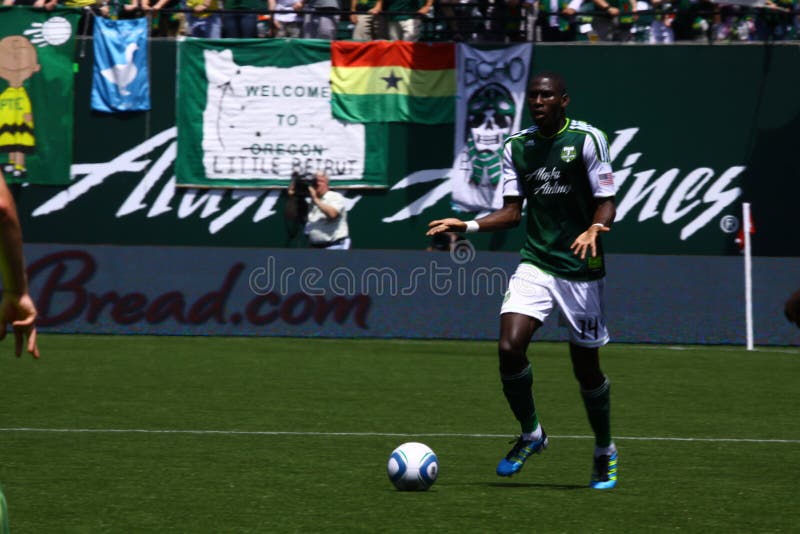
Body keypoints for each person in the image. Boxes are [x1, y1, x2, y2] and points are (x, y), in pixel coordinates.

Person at [427, 71, 618, 489]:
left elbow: (607, 203)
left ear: (563, 100)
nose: (537, 101)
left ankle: (604, 448)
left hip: (581, 270)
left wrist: (593, 229)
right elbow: (512, 213)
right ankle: (532, 432)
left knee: (586, 370)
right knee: (509, 346)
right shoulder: (518, 147)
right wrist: (468, 224)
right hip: (536, 263)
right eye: (532, 95)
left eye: (546, 95)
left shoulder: (588, 140)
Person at [287, 171, 351, 249]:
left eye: (320, 181)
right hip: (315, 248)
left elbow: (332, 214)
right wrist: (292, 197)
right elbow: (291, 216)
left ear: (327, 183)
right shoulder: (311, 203)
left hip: (335, 246)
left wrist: (315, 199)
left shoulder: (334, 196)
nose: (317, 184)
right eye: (315, 182)